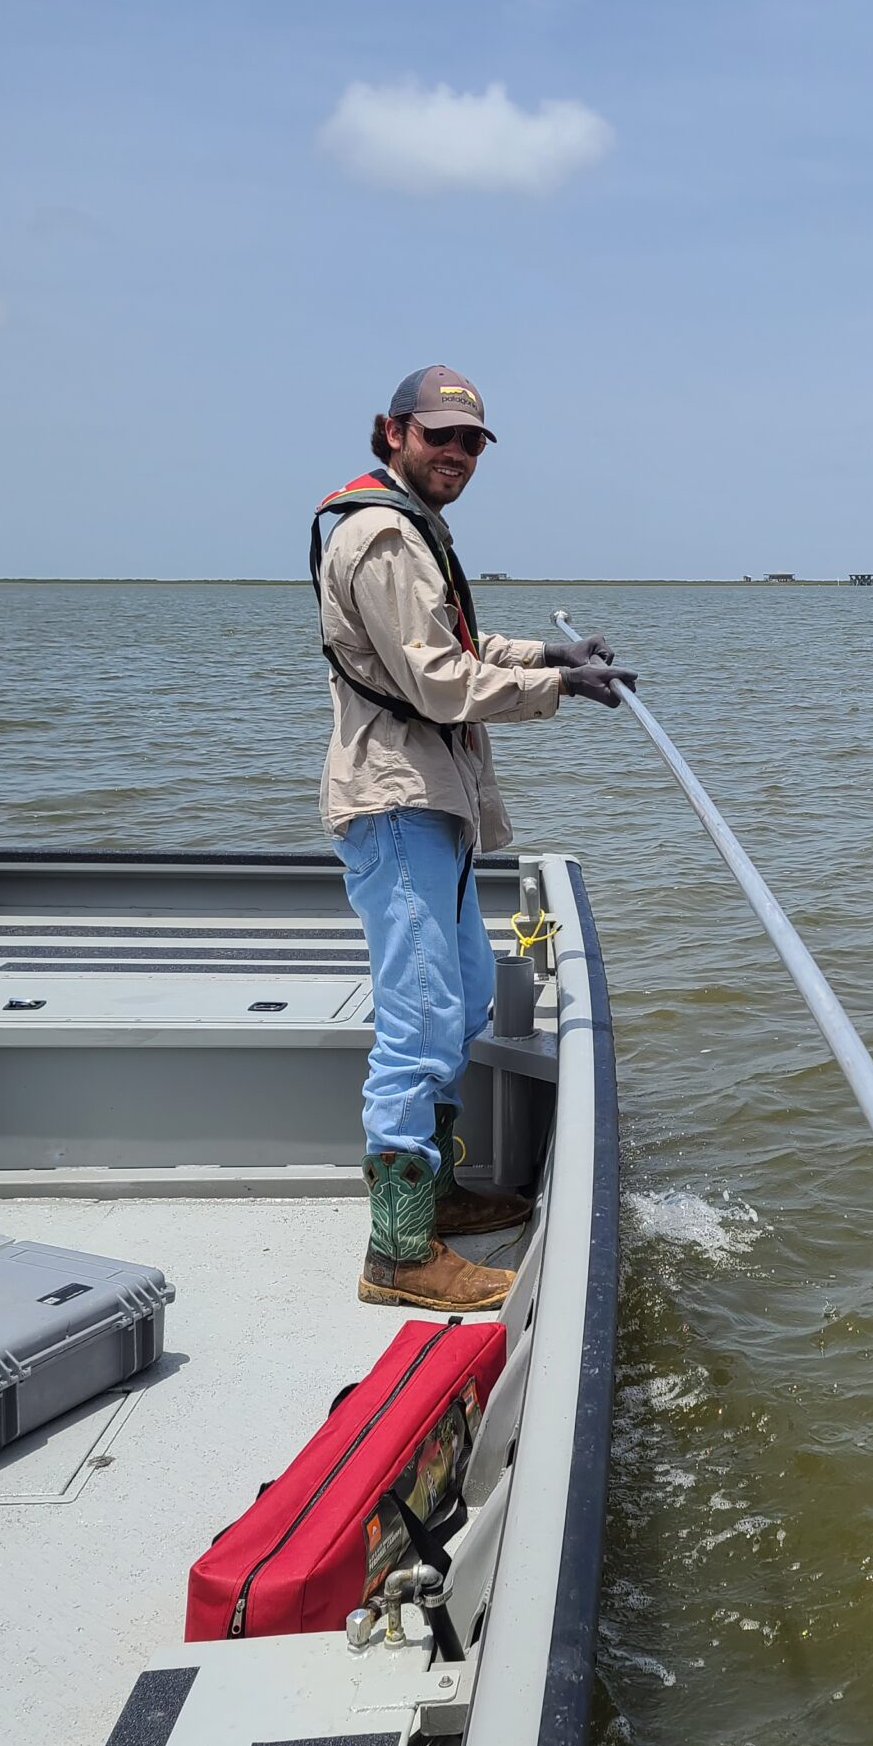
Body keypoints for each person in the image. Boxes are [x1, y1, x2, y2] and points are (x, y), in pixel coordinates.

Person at [312, 364, 628, 1312]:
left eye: (470, 443)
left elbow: (456, 651)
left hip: (428, 801)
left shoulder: (413, 529)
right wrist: (560, 690)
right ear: (393, 432)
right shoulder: (380, 537)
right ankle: (398, 1254)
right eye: (439, 436)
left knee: (455, 1006)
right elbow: (438, 683)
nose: (455, 454)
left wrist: (548, 653)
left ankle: (437, 1199)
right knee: (416, 1019)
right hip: (398, 802)